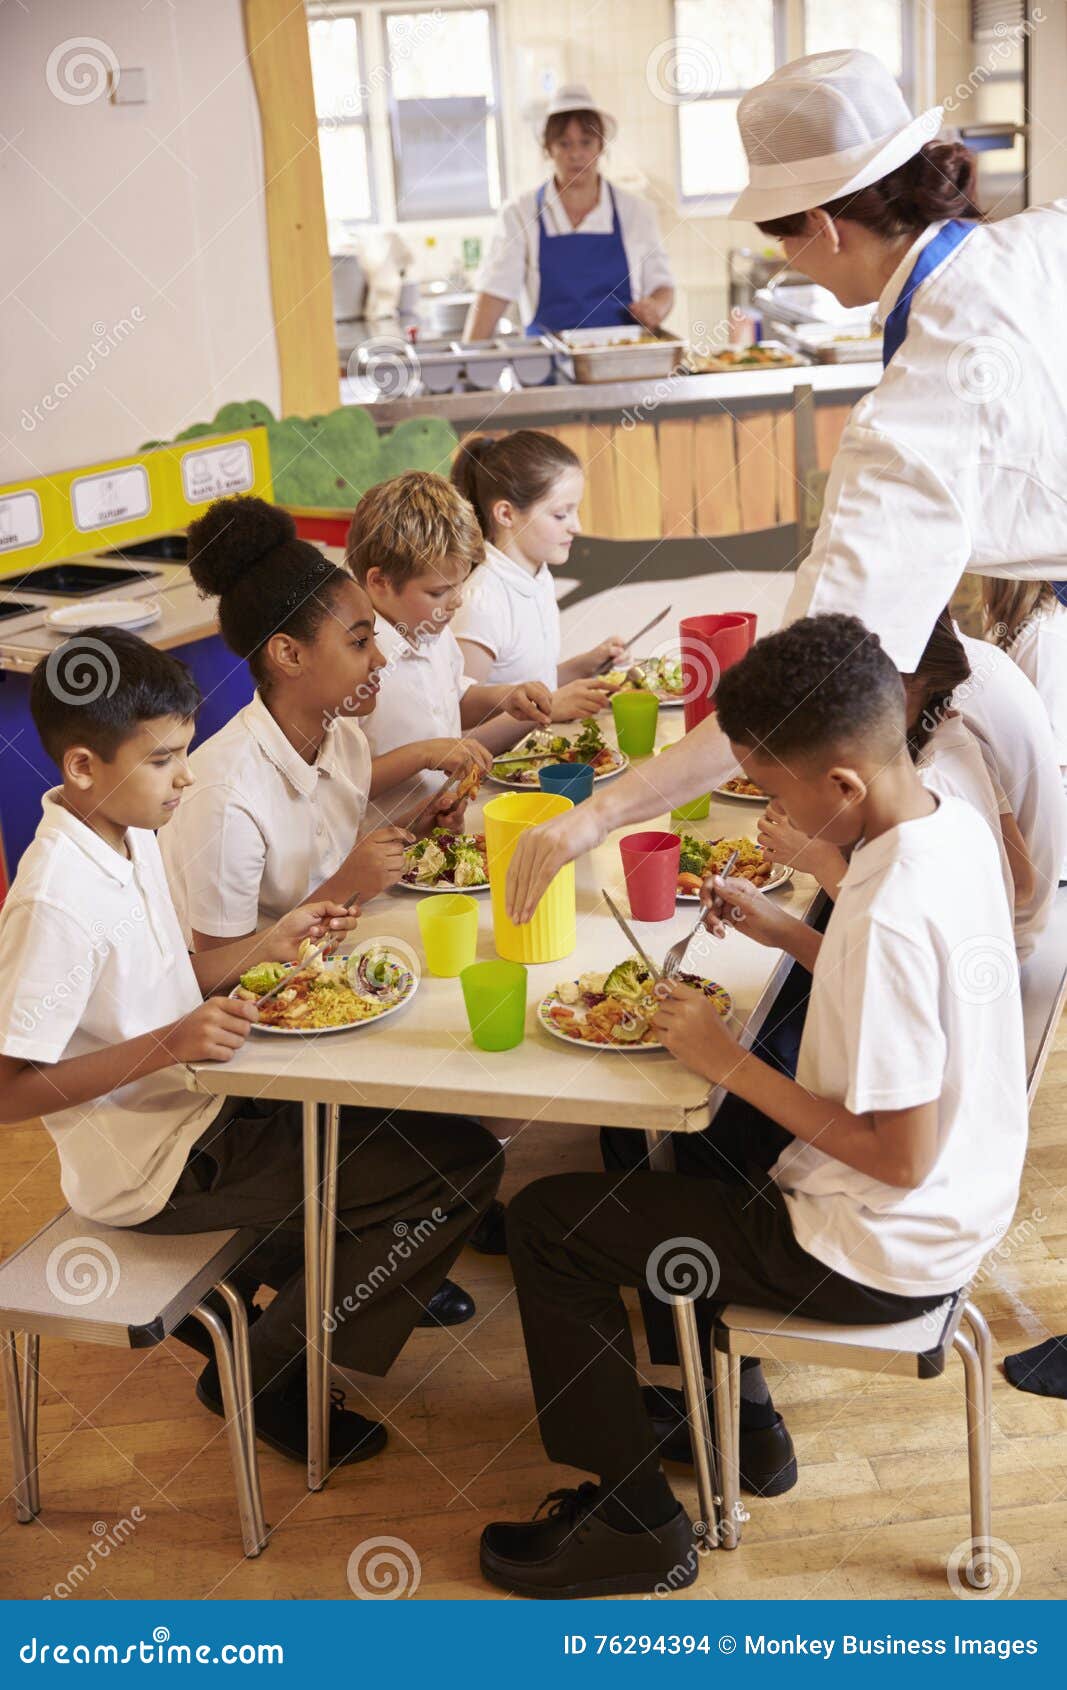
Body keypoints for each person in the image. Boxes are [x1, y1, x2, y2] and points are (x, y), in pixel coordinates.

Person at [481, 615, 1026, 1598]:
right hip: (957, 1201)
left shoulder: (888, 912)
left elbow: (896, 1156)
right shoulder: (941, 824)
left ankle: (636, 1525)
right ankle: (721, 1416)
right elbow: (905, 992)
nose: (766, 808)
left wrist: (723, 1056)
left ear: (842, 785)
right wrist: (792, 931)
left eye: (773, 791)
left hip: (877, 1244)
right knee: (676, 1149)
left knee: (545, 1224)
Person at [501, 48, 1067, 923]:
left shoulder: (914, 415)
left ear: (823, 224)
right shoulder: (1038, 239)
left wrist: (600, 814)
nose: (788, 264)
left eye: (781, 239)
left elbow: (808, 677)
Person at [0, 628, 503, 1466]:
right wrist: (167, 1045)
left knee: (395, 1127)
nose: (185, 777)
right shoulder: (53, 901)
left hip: (205, 1107)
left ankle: (312, 1300)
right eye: (163, 760)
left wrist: (266, 946)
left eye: (185, 753)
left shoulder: (126, 834)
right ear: (84, 766)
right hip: (157, 1164)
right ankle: (269, 1377)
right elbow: (8, 1093)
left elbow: (169, 975)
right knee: (459, 1167)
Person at [345, 471, 555, 815]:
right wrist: (425, 754)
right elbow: (338, 786)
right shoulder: (351, 660)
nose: (457, 601)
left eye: (460, 584)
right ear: (379, 581)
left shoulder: (433, 632)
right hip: (379, 848)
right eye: (439, 591)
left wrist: (502, 697)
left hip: (442, 831)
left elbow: (450, 699)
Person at [463, 84, 674, 341]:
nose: (576, 154)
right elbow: (493, 295)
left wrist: (656, 309)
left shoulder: (637, 212)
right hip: (545, 366)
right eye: (564, 144)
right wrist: (467, 367)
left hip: (620, 356)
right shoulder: (519, 214)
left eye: (586, 142)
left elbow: (663, 287)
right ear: (549, 149)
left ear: (601, 146)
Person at [451, 430, 624, 716]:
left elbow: (529, 683)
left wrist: (586, 666)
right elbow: (460, 716)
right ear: (506, 514)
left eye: (576, 511)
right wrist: (551, 708)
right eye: (560, 514)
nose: (577, 527)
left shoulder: (537, 575)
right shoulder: (481, 600)